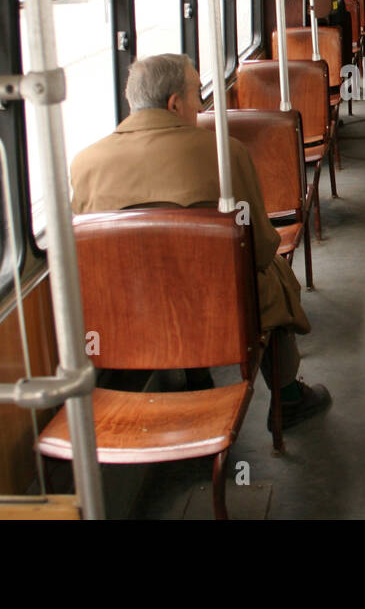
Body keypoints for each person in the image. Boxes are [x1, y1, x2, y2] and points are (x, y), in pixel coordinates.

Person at [70, 53, 332, 429]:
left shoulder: (85, 163)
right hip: (214, 304)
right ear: (174, 103)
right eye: (196, 94)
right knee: (271, 277)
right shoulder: (224, 154)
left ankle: (197, 378)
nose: (201, 103)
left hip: (126, 309)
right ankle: (287, 396)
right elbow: (258, 247)